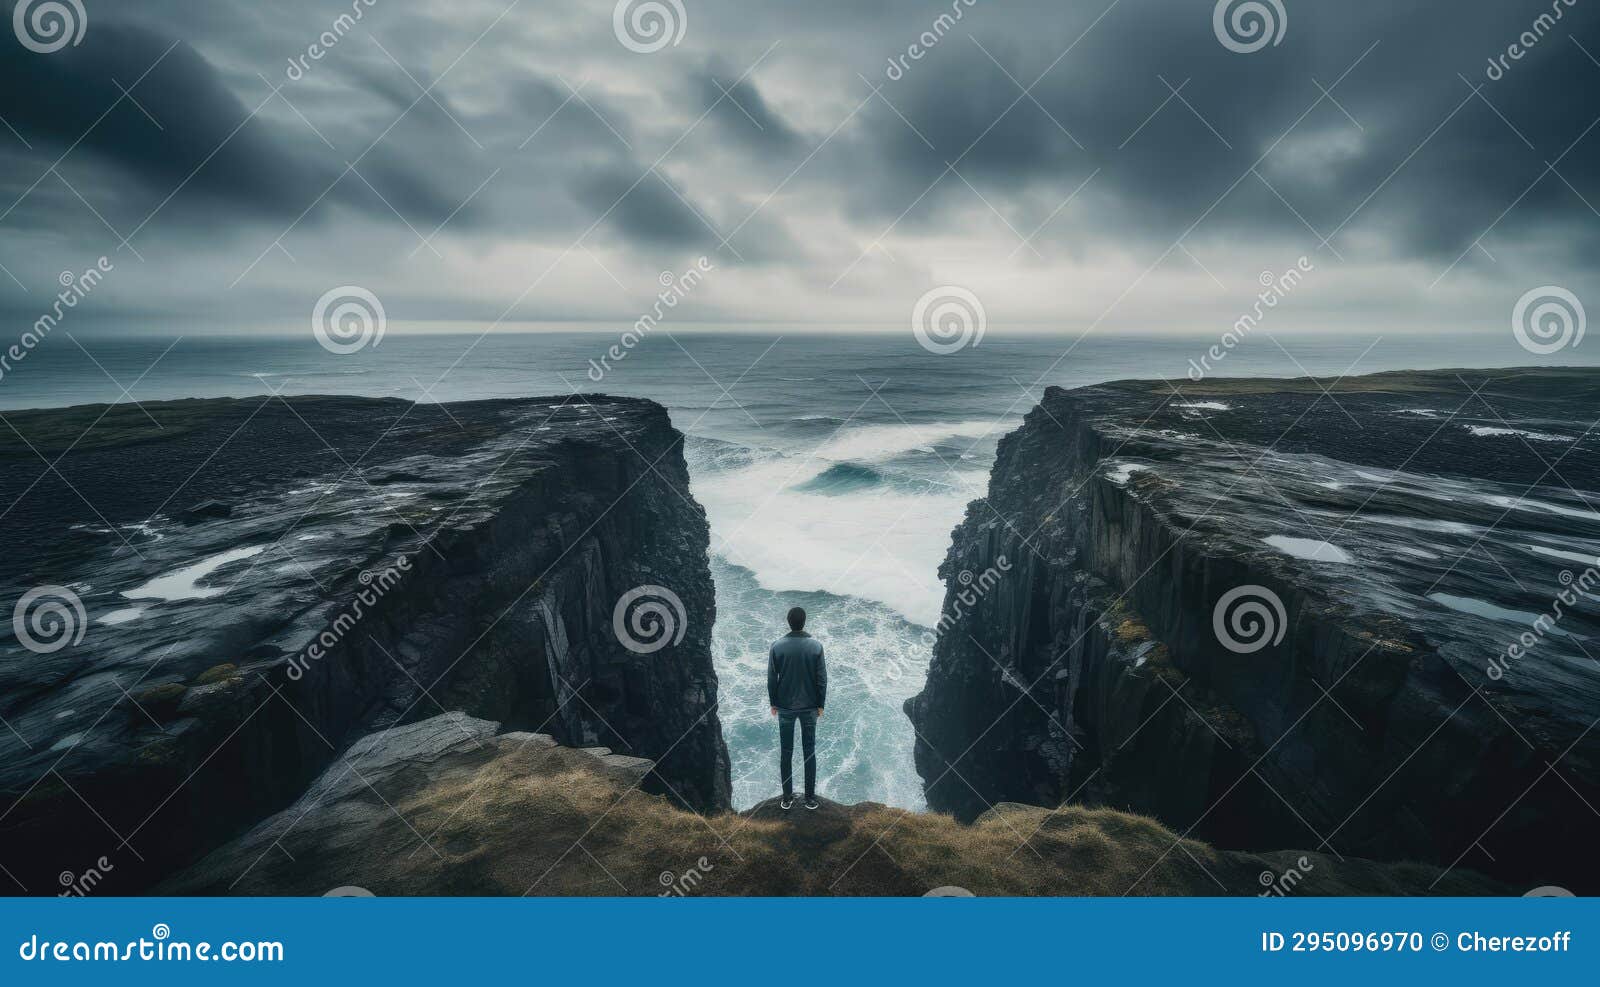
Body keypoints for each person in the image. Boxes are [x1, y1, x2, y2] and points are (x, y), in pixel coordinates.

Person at [767, 606, 826, 810]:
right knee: (809, 752)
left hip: (785, 706)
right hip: (810, 707)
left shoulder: (777, 646)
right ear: (804, 621)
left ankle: (787, 797)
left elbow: (771, 678)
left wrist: (773, 702)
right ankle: (810, 798)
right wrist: (820, 704)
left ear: (788, 622)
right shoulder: (816, 646)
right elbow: (821, 679)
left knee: (786, 752)